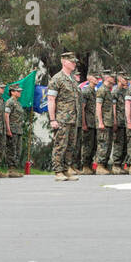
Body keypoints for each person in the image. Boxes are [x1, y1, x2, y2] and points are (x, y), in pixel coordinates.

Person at [47, 52, 81, 180]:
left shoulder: (72, 79)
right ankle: (58, 171)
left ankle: (66, 169)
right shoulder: (57, 79)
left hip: (73, 118)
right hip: (62, 118)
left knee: (70, 146)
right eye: (71, 61)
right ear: (64, 62)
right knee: (60, 145)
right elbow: (51, 99)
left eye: (74, 61)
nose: (74, 64)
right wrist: (52, 119)